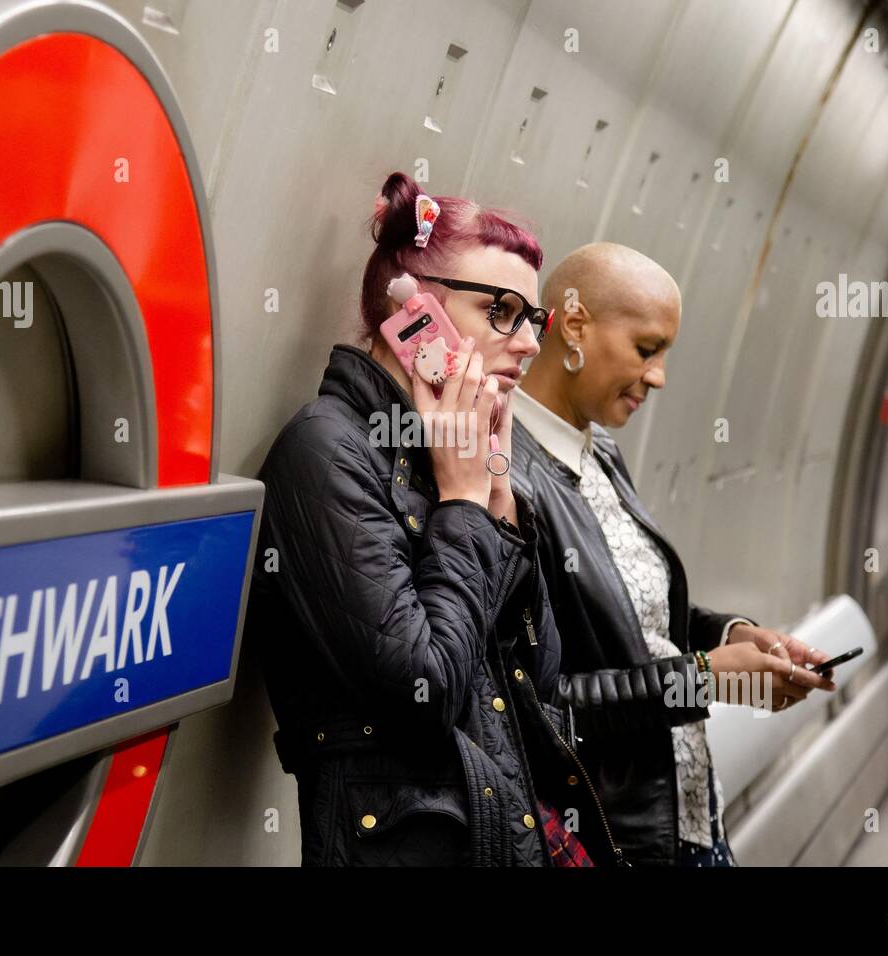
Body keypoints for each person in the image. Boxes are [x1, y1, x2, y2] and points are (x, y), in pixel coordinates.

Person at [246, 174, 622, 866]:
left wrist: (500, 502)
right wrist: (460, 506)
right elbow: (426, 693)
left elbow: (537, 678)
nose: (530, 343)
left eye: (532, 320)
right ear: (416, 314)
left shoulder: (456, 458)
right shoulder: (325, 454)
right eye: (502, 311)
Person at [512, 241, 836, 866]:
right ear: (575, 325)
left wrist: (737, 635)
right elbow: (546, 709)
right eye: (646, 349)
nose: (658, 376)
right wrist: (707, 679)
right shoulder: (512, 483)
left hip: (687, 820)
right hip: (618, 843)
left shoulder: (597, 448)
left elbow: (635, 617)